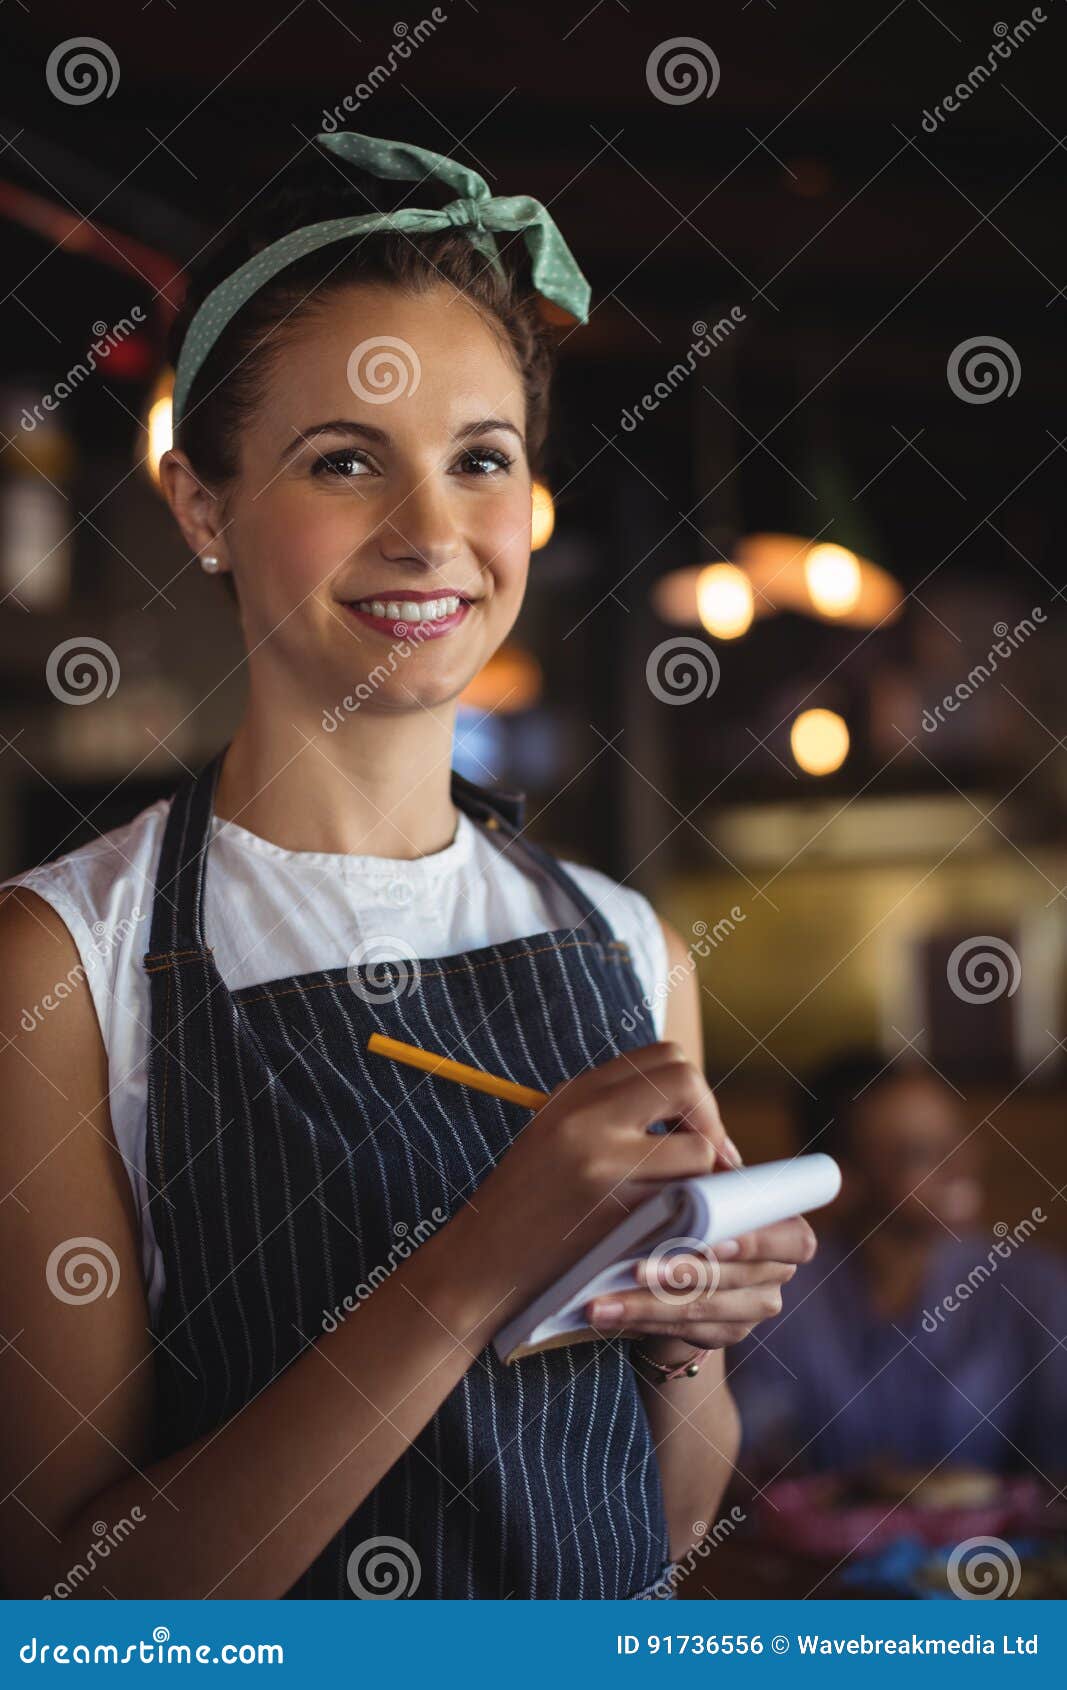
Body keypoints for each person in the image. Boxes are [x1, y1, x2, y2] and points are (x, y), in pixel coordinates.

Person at [0, 130, 815, 1601]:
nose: (432, 532)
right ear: (201, 505)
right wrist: (466, 1272)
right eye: (343, 461)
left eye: (479, 460)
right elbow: (64, 1606)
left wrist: (687, 1339)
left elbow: (668, 1523)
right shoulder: (60, 965)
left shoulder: (632, 950)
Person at [729, 1050, 1067, 1485]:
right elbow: (755, 1470)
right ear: (842, 1179)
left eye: (959, 1140)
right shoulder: (778, 1296)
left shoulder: (1035, 1287)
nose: (959, 1166)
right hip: (822, 1551)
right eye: (920, 1153)